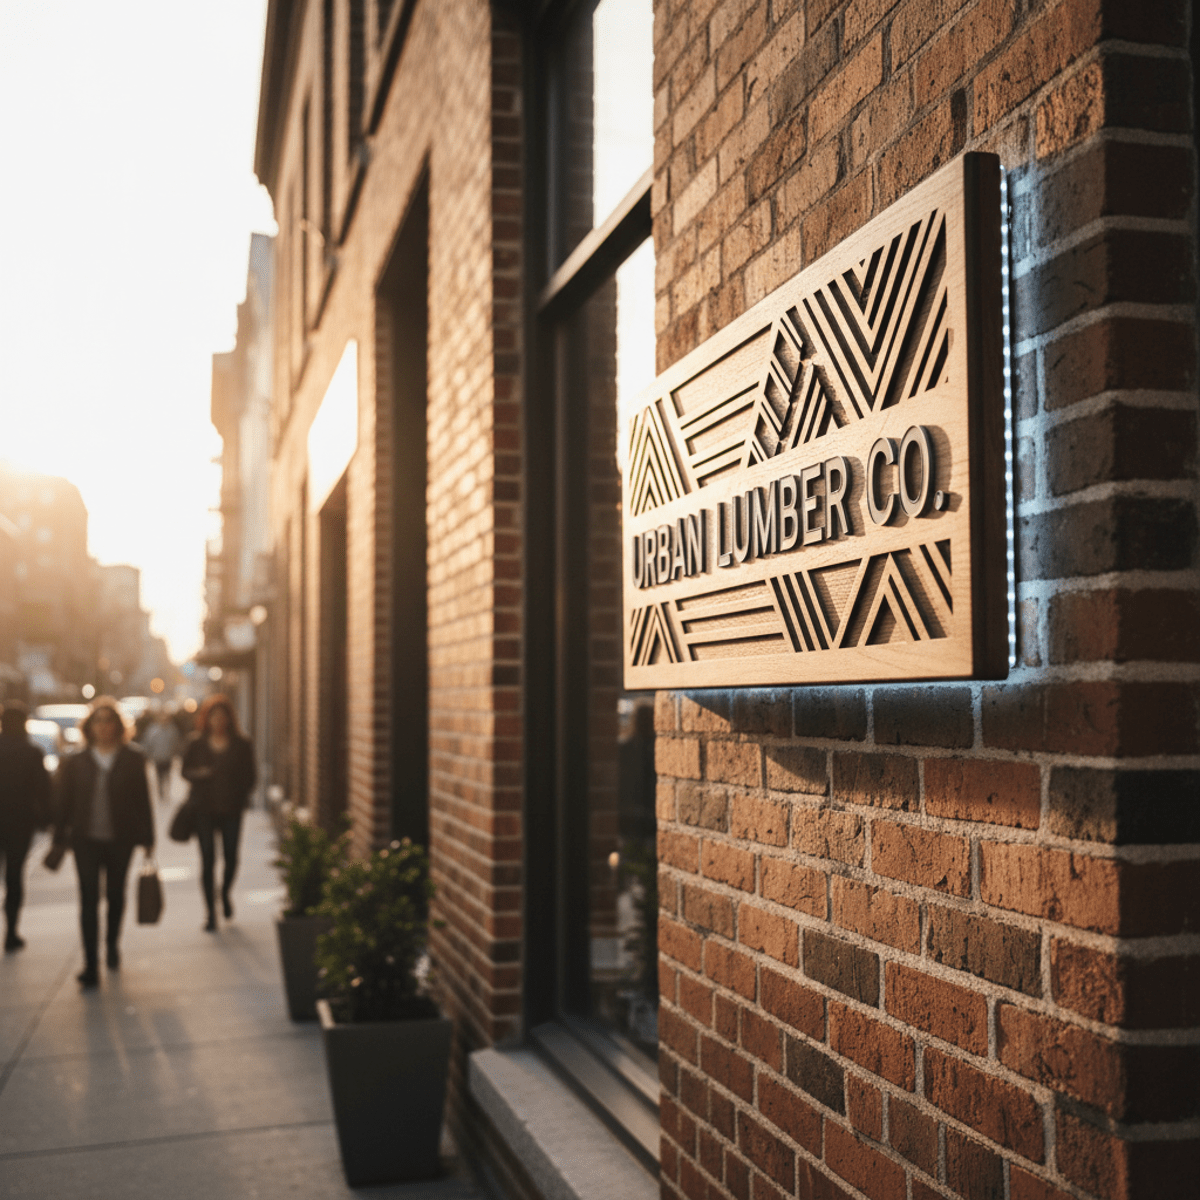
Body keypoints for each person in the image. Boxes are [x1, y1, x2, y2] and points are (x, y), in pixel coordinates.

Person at [52, 697, 154, 987]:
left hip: (121, 838)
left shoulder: (133, 758)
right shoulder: (75, 761)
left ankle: (111, 944)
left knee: (116, 895)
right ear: (89, 727)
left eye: (109, 721)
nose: (104, 726)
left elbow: (142, 800)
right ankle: (90, 964)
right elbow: (64, 801)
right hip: (85, 839)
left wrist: (148, 837)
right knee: (88, 899)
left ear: (119, 726)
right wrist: (59, 836)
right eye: (98, 721)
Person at [181, 695, 256, 932]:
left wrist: (240, 789)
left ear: (229, 719)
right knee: (207, 860)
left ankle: (224, 893)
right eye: (214, 717)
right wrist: (200, 774)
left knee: (231, 857)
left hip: (232, 809)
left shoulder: (241, 744)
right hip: (204, 810)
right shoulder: (196, 743)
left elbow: (251, 775)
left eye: (222, 716)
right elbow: (185, 771)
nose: (218, 721)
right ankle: (210, 913)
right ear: (208, 719)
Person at [0, 701, 52, 951]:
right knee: (14, 876)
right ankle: (11, 931)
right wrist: (49, 822)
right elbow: (44, 791)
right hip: (20, 824)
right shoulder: (32, 752)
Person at [141, 709, 183, 801]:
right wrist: (148, 754)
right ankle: (161, 790)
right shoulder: (153, 730)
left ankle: (166, 789)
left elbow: (176, 742)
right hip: (158, 757)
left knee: (167, 774)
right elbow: (148, 742)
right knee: (159, 775)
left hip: (168, 757)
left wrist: (176, 753)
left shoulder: (172, 729)